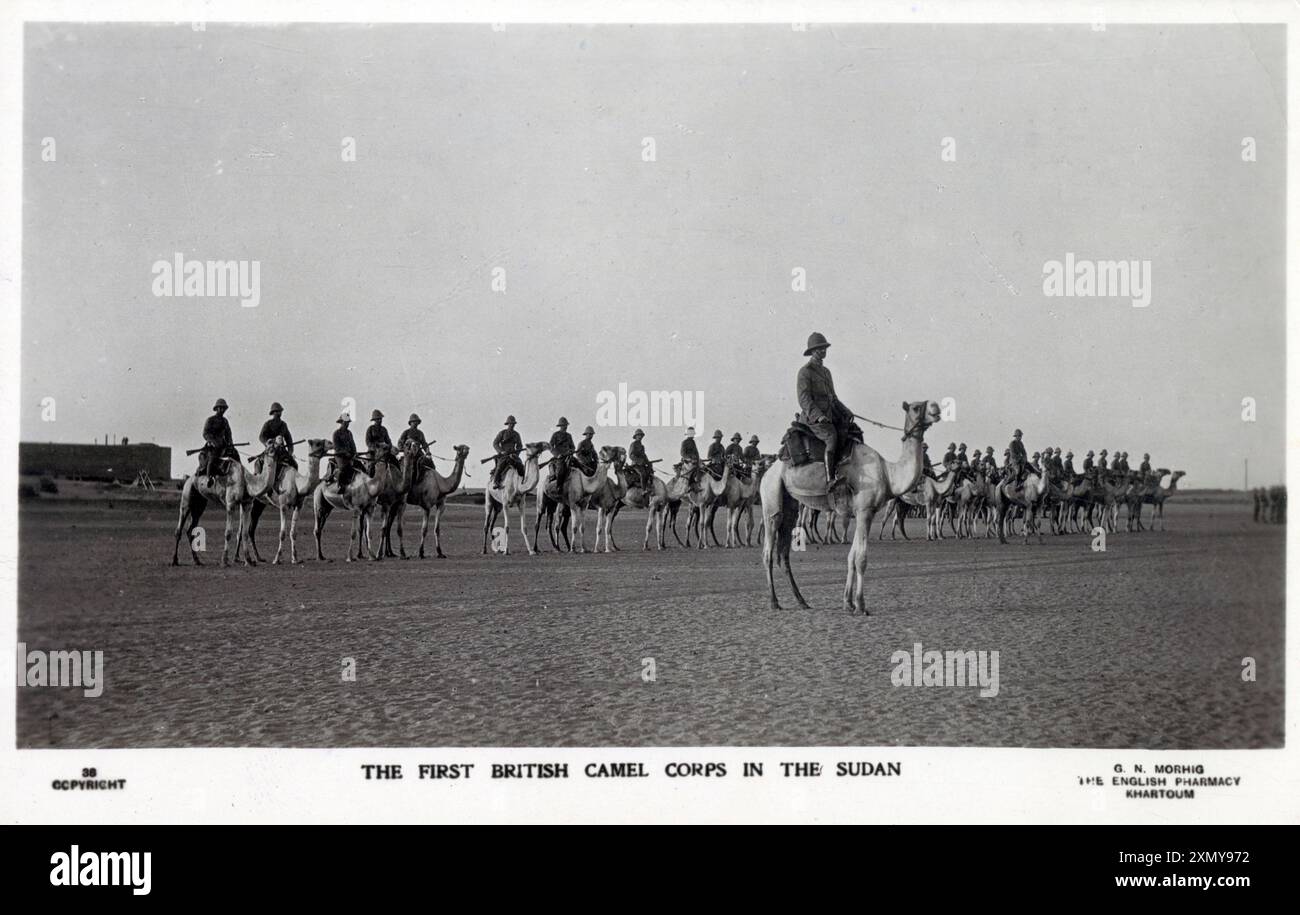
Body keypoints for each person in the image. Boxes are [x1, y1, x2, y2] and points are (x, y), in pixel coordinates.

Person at [796, 332, 853, 488]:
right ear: (812, 351)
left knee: (851, 432)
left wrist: (846, 411)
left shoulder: (826, 372)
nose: (823, 351)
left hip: (829, 416)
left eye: (824, 348)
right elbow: (804, 399)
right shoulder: (805, 371)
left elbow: (833, 398)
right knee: (831, 437)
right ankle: (830, 480)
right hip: (813, 419)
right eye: (819, 348)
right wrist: (819, 416)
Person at [200, 398, 237, 476]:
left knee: (235, 455)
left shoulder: (225, 421)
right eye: (220, 408)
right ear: (216, 409)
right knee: (212, 458)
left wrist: (231, 444)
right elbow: (205, 433)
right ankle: (209, 478)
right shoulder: (210, 420)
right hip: (213, 446)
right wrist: (212, 441)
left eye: (223, 408)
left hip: (224, 445)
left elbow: (228, 435)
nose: (222, 410)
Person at [491, 415, 524, 487]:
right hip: (504, 455)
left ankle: (523, 482)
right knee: (500, 465)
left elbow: (520, 446)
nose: (512, 425)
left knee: (521, 466)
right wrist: (501, 451)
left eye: (513, 424)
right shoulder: (502, 433)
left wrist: (516, 453)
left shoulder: (516, 434)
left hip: (513, 455)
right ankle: (495, 481)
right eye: (510, 423)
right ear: (507, 424)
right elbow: (495, 443)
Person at [329, 413, 358, 489]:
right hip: (340, 456)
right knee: (344, 468)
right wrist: (345, 452)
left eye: (348, 422)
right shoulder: (336, 433)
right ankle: (341, 487)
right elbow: (336, 447)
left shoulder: (349, 433)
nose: (347, 424)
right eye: (345, 422)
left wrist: (354, 453)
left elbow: (353, 445)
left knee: (360, 467)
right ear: (341, 422)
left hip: (350, 456)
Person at [549, 417, 575, 490]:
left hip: (568, 456)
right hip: (560, 457)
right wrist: (557, 455)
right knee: (561, 469)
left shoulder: (569, 436)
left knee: (578, 465)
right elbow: (551, 446)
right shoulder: (555, 435)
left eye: (566, 425)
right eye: (563, 425)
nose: (565, 427)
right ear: (560, 426)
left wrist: (571, 451)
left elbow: (573, 446)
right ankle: (559, 486)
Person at [680, 426, 701, 491]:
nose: (693, 435)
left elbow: (696, 452)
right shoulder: (684, 442)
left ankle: (698, 483)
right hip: (687, 461)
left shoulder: (693, 442)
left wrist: (698, 459)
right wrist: (689, 458)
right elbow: (682, 453)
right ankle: (690, 486)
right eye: (691, 434)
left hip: (694, 460)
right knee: (692, 469)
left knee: (701, 468)